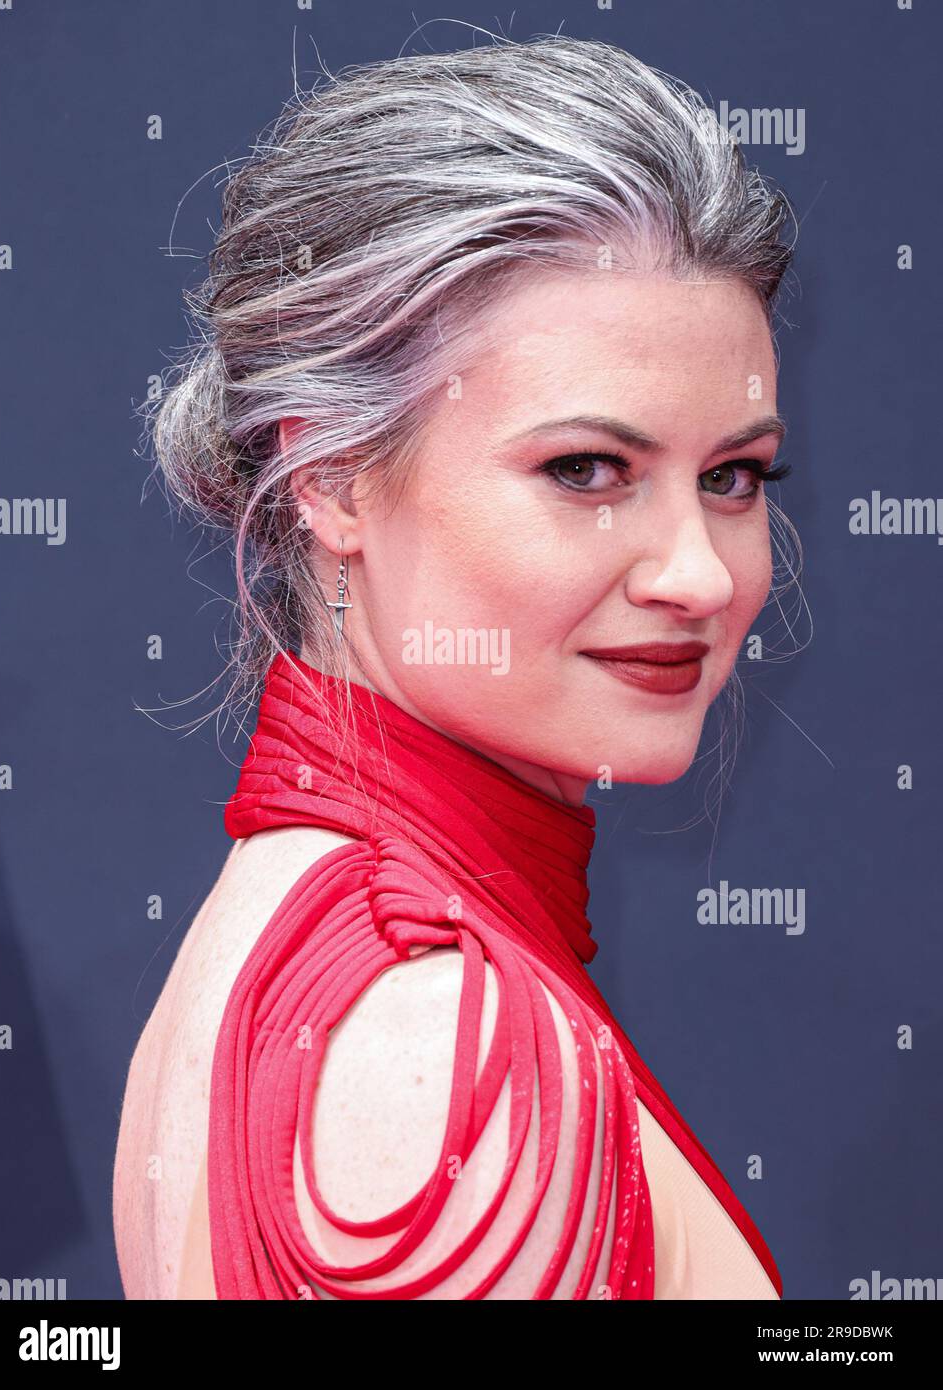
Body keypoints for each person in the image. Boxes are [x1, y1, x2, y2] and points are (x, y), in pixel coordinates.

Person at [113, 33, 796, 1299]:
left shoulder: (323, 934)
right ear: (329, 479)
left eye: (731, 477)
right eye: (586, 471)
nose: (698, 574)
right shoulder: (430, 1056)